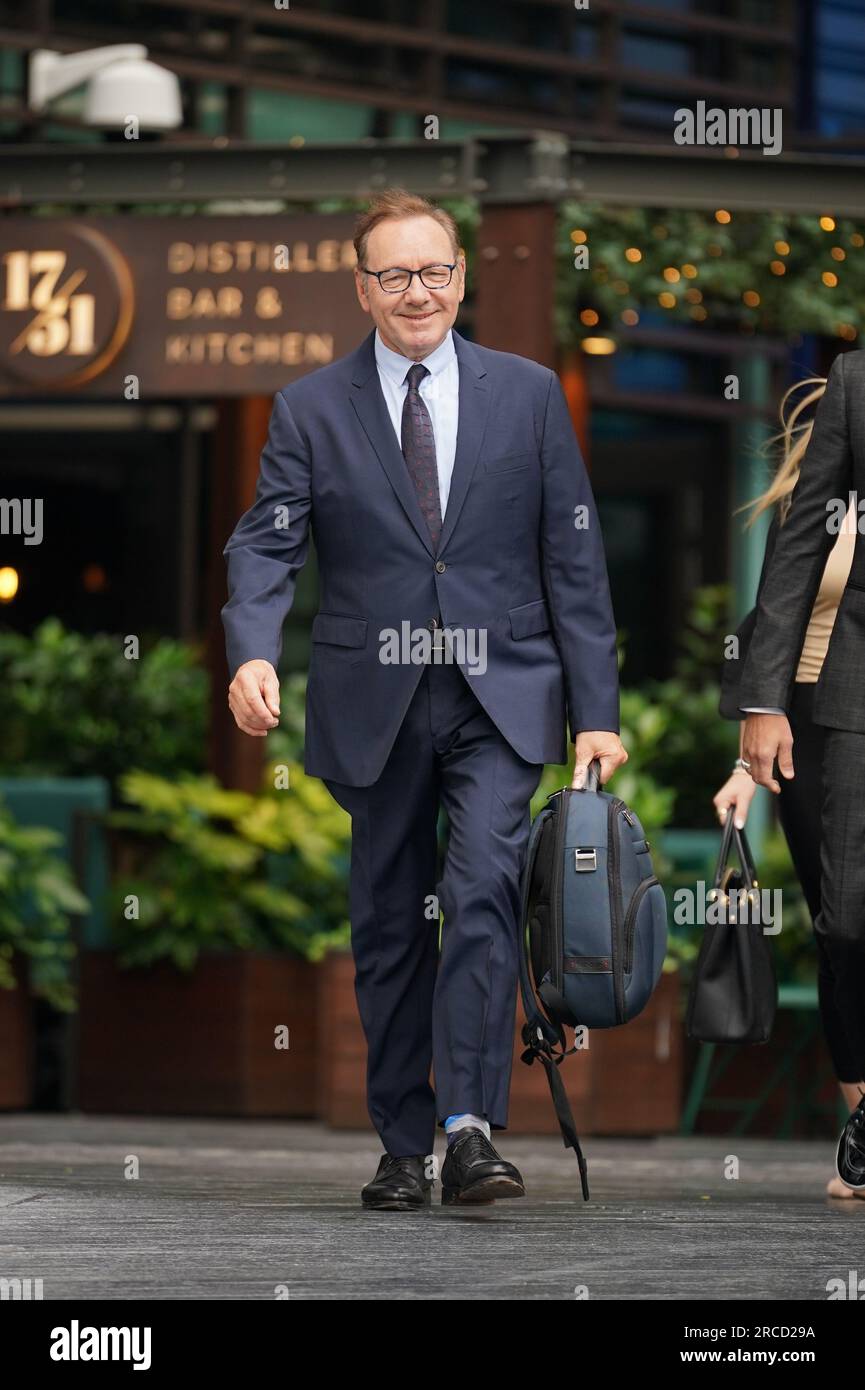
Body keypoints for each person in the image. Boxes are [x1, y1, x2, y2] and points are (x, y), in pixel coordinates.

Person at [221, 188, 628, 1210]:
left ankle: (469, 1129)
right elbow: (267, 541)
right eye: (395, 274)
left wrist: (599, 712)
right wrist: (253, 649)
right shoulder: (311, 407)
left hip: (503, 696)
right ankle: (402, 1140)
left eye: (436, 270)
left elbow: (573, 561)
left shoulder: (529, 394)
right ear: (362, 287)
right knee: (391, 921)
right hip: (377, 700)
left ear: (461, 276)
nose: (419, 291)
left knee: (486, 887)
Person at [722, 351, 865, 1198]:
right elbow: (788, 565)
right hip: (830, 714)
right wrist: (756, 714)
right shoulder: (854, 386)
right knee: (844, 920)